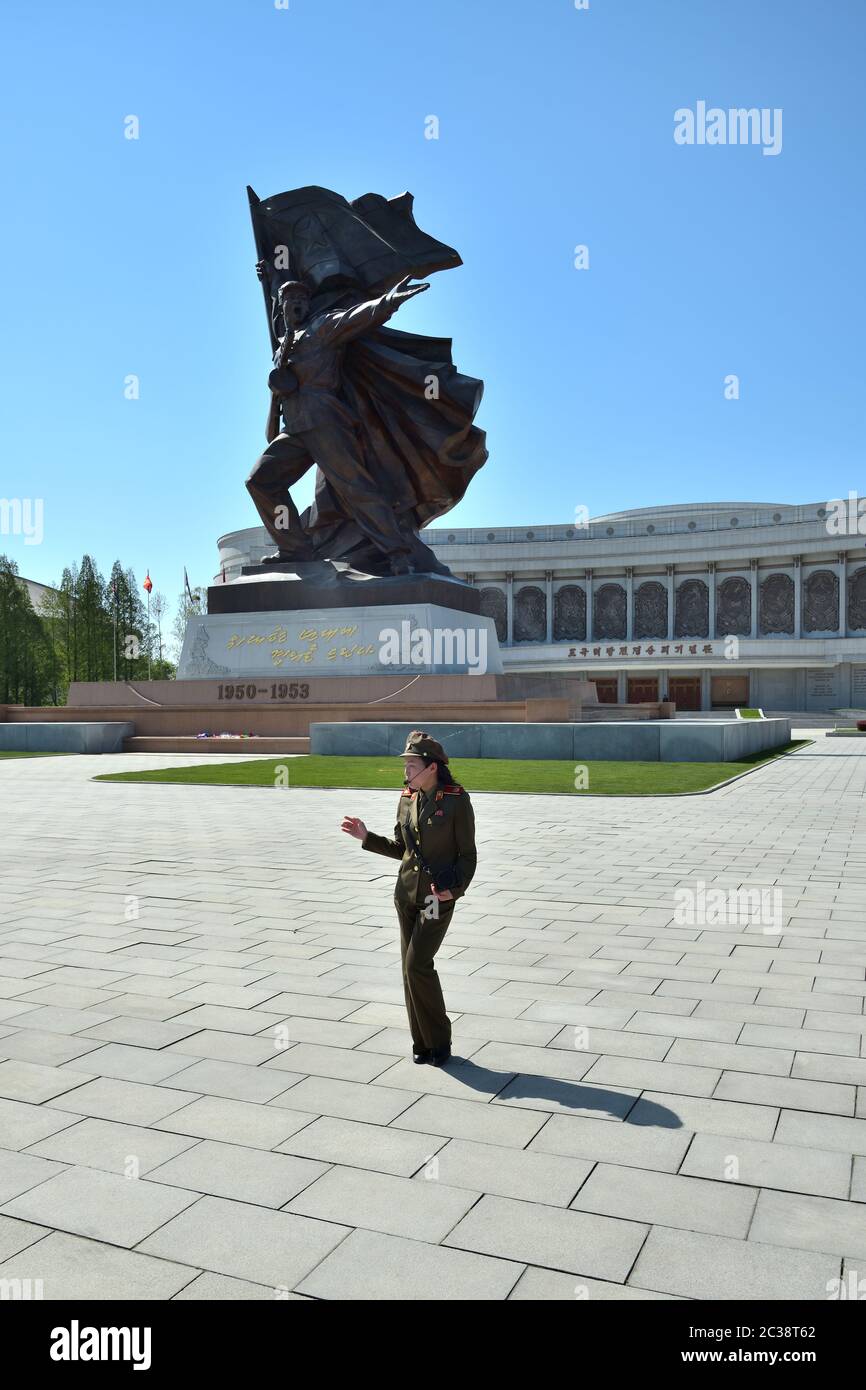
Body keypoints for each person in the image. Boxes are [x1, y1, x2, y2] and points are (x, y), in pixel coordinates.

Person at [246, 275, 429, 574]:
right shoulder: (281, 348)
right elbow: (278, 398)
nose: (298, 305)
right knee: (260, 481)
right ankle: (295, 547)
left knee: (355, 487)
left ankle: (397, 552)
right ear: (281, 306)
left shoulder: (322, 329)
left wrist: (389, 301)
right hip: (294, 428)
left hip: (325, 421)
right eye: (291, 300)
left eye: (303, 300)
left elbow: (354, 318)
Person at [341, 731, 476, 1066]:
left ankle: (440, 1041)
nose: (406, 772)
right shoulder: (407, 798)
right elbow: (402, 850)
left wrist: (453, 890)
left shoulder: (457, 801)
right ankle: (422, 1043)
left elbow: (468, 857)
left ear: (431, 767)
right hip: (405, 895)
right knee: (407, 969)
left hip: (435, 898)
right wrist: (366, 837)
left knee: (418, 964)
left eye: (411, 766)